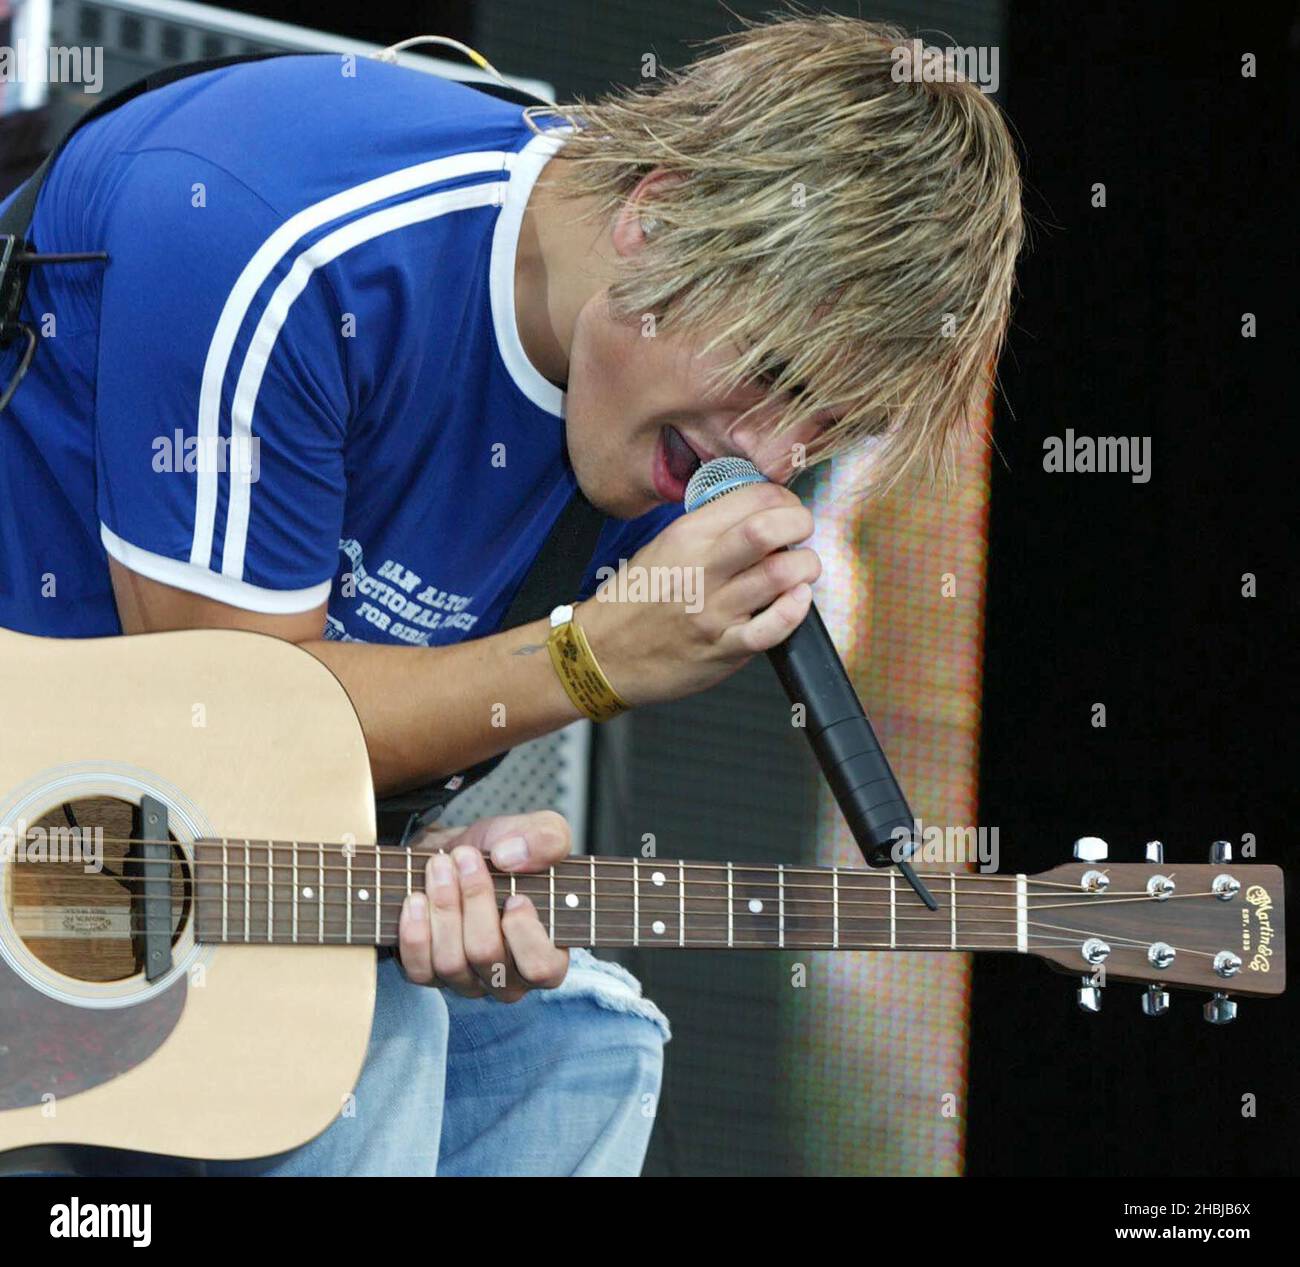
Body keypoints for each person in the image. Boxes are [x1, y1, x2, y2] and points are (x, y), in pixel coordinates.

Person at [0, 14, 1023, 1174]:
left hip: (169, 875)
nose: (771, 457)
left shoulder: (658, 431)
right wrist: (582, 663)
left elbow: (294, 795)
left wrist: (441, 868)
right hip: (49, 837)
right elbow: (214, 740)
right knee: (369, 1053)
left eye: (829, 427)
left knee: (587, 1047)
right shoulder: (275, 234)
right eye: (775, 376)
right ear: (658, 215)